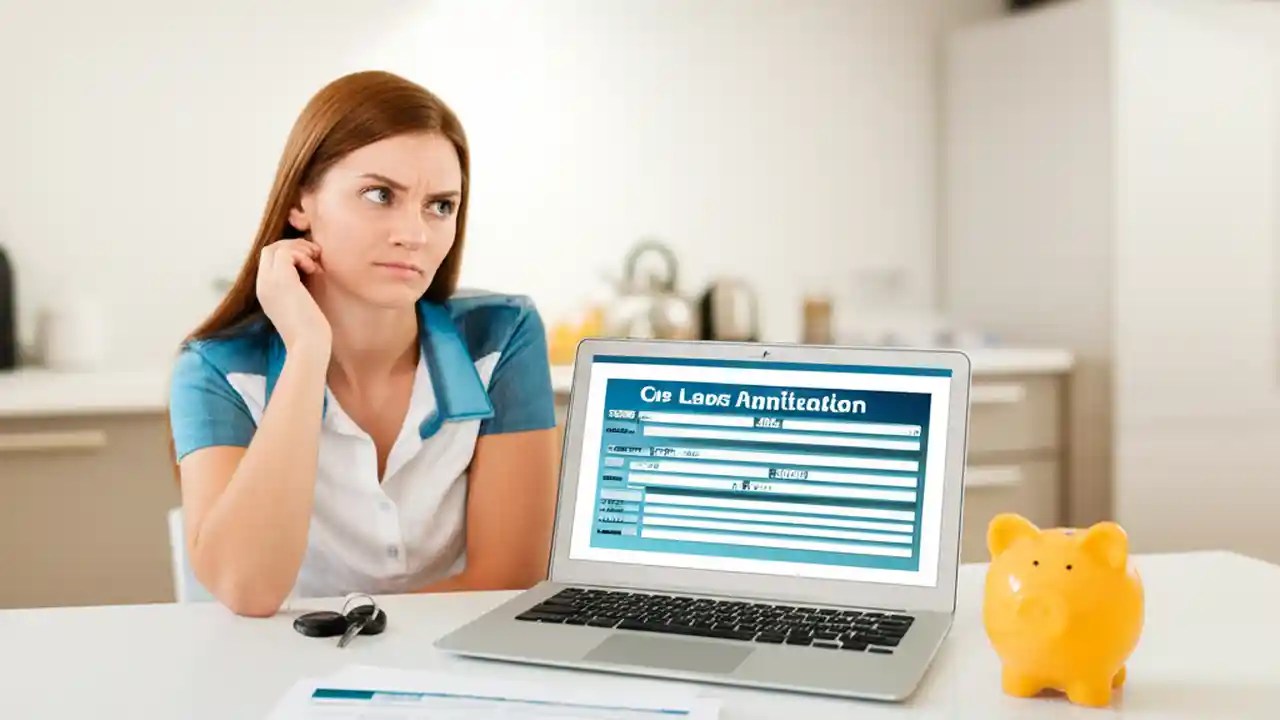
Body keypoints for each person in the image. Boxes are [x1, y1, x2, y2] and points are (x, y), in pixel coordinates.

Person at [167, 70, 559, 617]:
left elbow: (509, 580)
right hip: (283, 676)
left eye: (440, 205)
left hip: (454, 665)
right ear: (302, 203)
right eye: (380, 195)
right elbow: (248, 590)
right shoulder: (215, 369)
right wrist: (306, 351)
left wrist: (363, 633)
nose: (416, 234)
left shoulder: (502, 337)